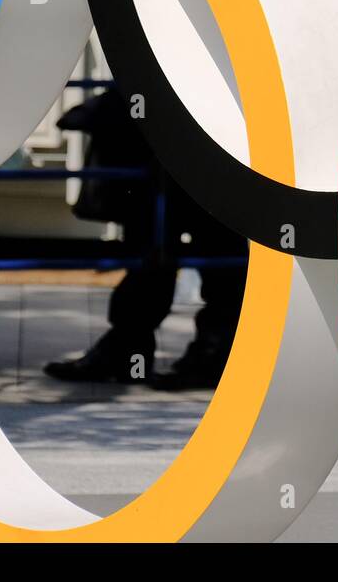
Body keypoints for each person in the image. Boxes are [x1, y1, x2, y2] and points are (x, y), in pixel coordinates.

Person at [43, 89, 248, 389]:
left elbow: (76, 117)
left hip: (192, 177)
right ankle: (189, 353)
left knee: (183, 259)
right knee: (168, 258)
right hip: (189, 175)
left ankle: (144, 352)